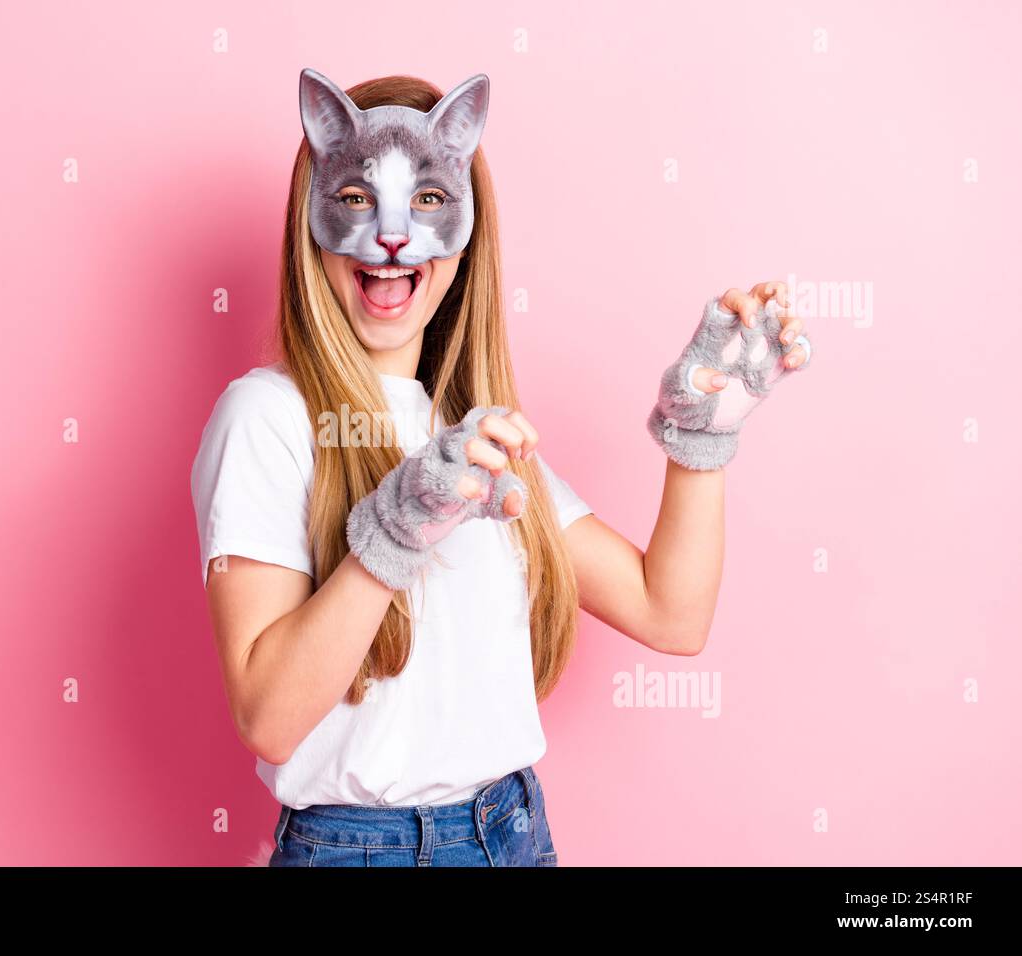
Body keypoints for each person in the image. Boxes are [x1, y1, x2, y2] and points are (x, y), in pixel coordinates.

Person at [190, 68, 812, 867]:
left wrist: (700, 439)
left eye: (425, 202)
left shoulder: (470, 434)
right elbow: (269, 717)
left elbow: (671, 613)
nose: (391, 238)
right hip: (364, 850)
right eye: (355, 200)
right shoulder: (268, 417)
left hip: (514, 830)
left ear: (466, 231)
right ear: (312, 220)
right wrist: (396, 527)